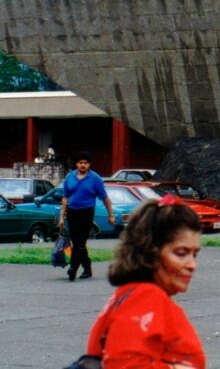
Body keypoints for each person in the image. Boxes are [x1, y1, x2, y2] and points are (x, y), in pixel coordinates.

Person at [75, 194, 205, 368]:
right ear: (151, 252)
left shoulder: (129, 294)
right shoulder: (147, 296)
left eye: (194, 254)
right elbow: (124, 364)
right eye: (181, 253)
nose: (192, 265)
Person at [59, 151, 115, 282]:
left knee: (80, 242)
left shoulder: (95, 179)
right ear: (76, 164)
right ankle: (87, 267)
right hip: (72, 213)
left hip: (87, 213)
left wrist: (111, 215)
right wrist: (62, 216)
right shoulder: (70, 177)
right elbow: (65, 197)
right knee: (76, 242)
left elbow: (105, 198)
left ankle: (72, 269)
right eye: (80, 163)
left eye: (85, 163)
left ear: (89, 164)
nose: (83, 165)